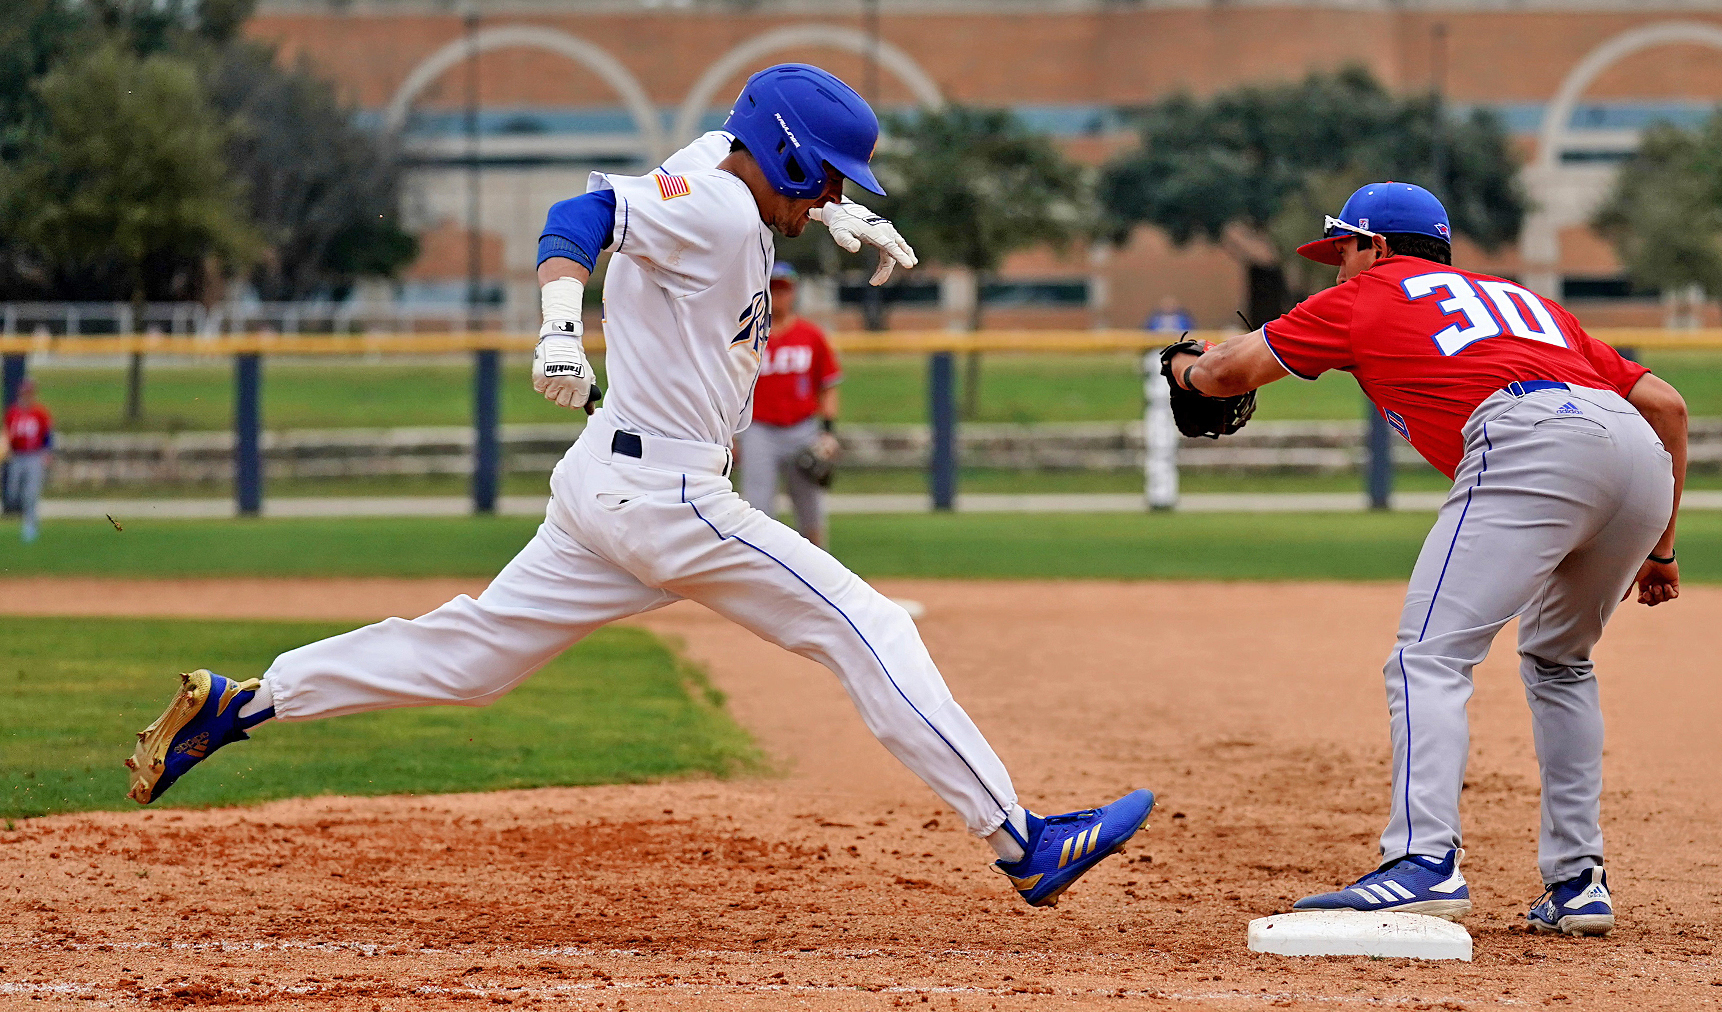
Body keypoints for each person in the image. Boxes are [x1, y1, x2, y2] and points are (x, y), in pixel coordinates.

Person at [123, 63, 1153, 909]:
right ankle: (1023, 842)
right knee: (869, 626)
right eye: (825, 180)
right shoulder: (712, 205)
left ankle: (247, 704)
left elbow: (704, 170)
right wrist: (560, 329)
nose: (833, 196)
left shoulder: (725, 167)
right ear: (783, 155)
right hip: (668, 498)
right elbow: (583, 212)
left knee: (475, 657)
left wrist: (829, 218)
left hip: (603, 491)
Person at [1164, 182, 1687, 937]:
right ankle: (1580, 883)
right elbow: (1665, 405)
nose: (1337, 267)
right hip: (1634, 452)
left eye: (1342, 248)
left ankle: (1421, 863)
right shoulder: (1523, 302)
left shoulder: (1368, 293)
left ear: (1375, 246)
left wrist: (1182, 364)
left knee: (1427, 659)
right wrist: (1661, 550)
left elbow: (1224, 376)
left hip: (1529, 438)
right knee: (1561, 662)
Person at [737, 261, 841, 547]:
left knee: (811, 512)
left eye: (784, 289)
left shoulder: (811, 336)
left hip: (803, 429)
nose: (778, 295)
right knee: (756, 510)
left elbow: (828, 387)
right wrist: (731, 435)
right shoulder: (746, 337)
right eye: (773, 289)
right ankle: (760, 577)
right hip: (758, 430)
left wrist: (828, 432)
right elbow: (732, 390)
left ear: (793, 293)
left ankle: (819, 575)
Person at [4, 377, 54, 543]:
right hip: (17, 456)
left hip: (34, 455)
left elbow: (48, 434)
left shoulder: (40, 412)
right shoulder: (12, 413)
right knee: (12, 491)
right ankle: (18, 514)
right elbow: (7, 434)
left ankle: (30, 525)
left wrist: (47, 452)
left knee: (31, 493)